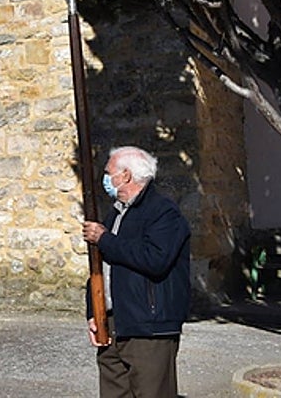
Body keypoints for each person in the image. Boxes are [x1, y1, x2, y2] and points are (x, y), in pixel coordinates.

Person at [82, 146, 191, 398]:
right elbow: (101, 267)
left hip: (148, 325)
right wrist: (93, 311)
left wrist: (105, 239)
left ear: (126, 176)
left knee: (152, 392)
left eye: (109, 172)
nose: (106, 179)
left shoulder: (163, 212)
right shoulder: (116, 214)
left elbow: (155, 259)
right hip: (113, 321)